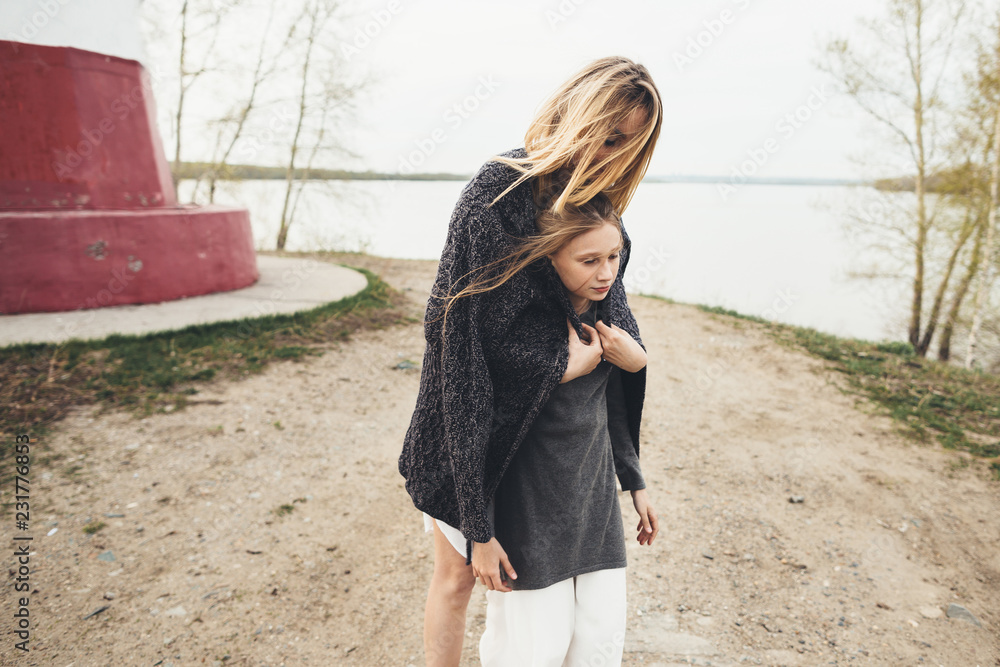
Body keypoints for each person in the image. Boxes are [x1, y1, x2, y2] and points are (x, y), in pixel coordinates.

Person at [398, 55, 663, 667]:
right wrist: (554, 366)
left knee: (527, 595)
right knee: (456, 576)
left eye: (629, 144)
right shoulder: (496, 194)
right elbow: (454, 342)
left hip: (543, 442)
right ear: (574, 115)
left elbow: (612, 331)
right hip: (466, 421)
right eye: (608, 134)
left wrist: (634, 459)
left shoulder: (600, 206)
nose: (613, 153)